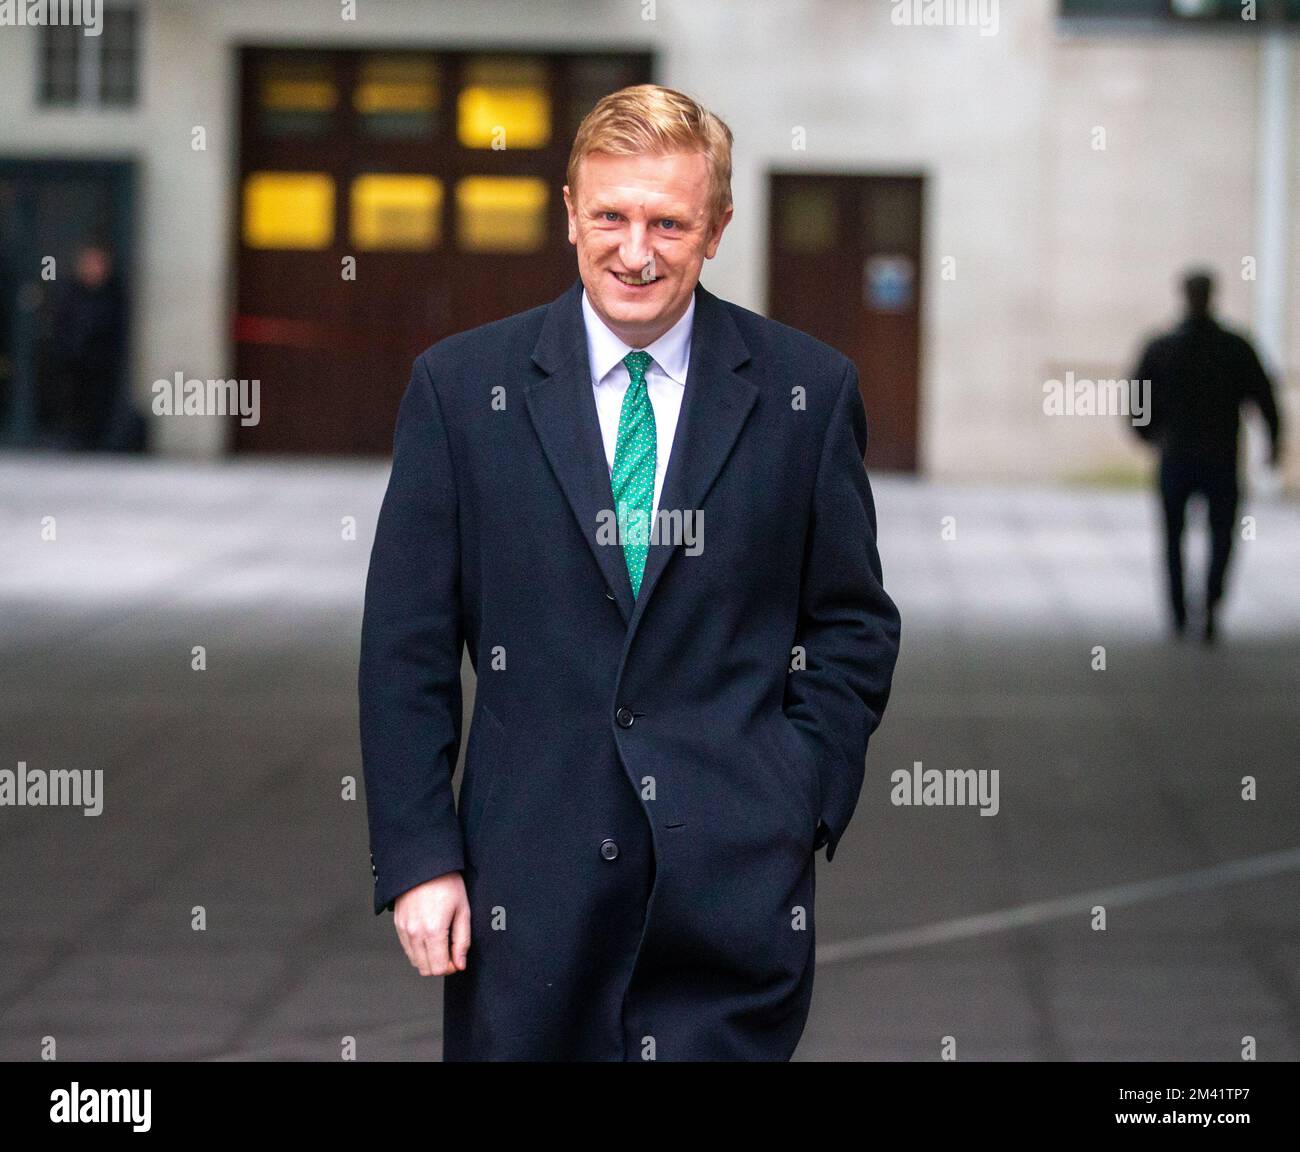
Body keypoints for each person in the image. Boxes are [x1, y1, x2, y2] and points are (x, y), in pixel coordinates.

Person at [359, 84, 902, 1061]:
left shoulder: (806, 393)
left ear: (718, 226)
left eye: (668, 221)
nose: (635, 250)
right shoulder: (458, 390)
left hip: (728, 902)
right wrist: (418, 857)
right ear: (568, 211)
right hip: (522, 896)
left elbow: (853, 623)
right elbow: (406, 647)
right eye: (608, 215)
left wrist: (797, 794)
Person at [1131, 270, 1283, 644]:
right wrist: (1273, 444)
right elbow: (1264, 400)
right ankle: (1208, 607)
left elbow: (1139, 399)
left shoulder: (1164, 347)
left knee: (1175, 536)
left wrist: (1149, 434)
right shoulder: (1233, 347)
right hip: (1217, 457)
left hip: (1180, 455)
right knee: (1219, 535)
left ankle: (1182, 611)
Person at [50, 240, 127, 450]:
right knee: (72, 402)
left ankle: (94, 441)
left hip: (100, 362)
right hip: (72, 360)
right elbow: (61, 324)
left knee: (96, 405)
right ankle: (71, 439)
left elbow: (116, 329)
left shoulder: (112, 294)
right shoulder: (69, 292)